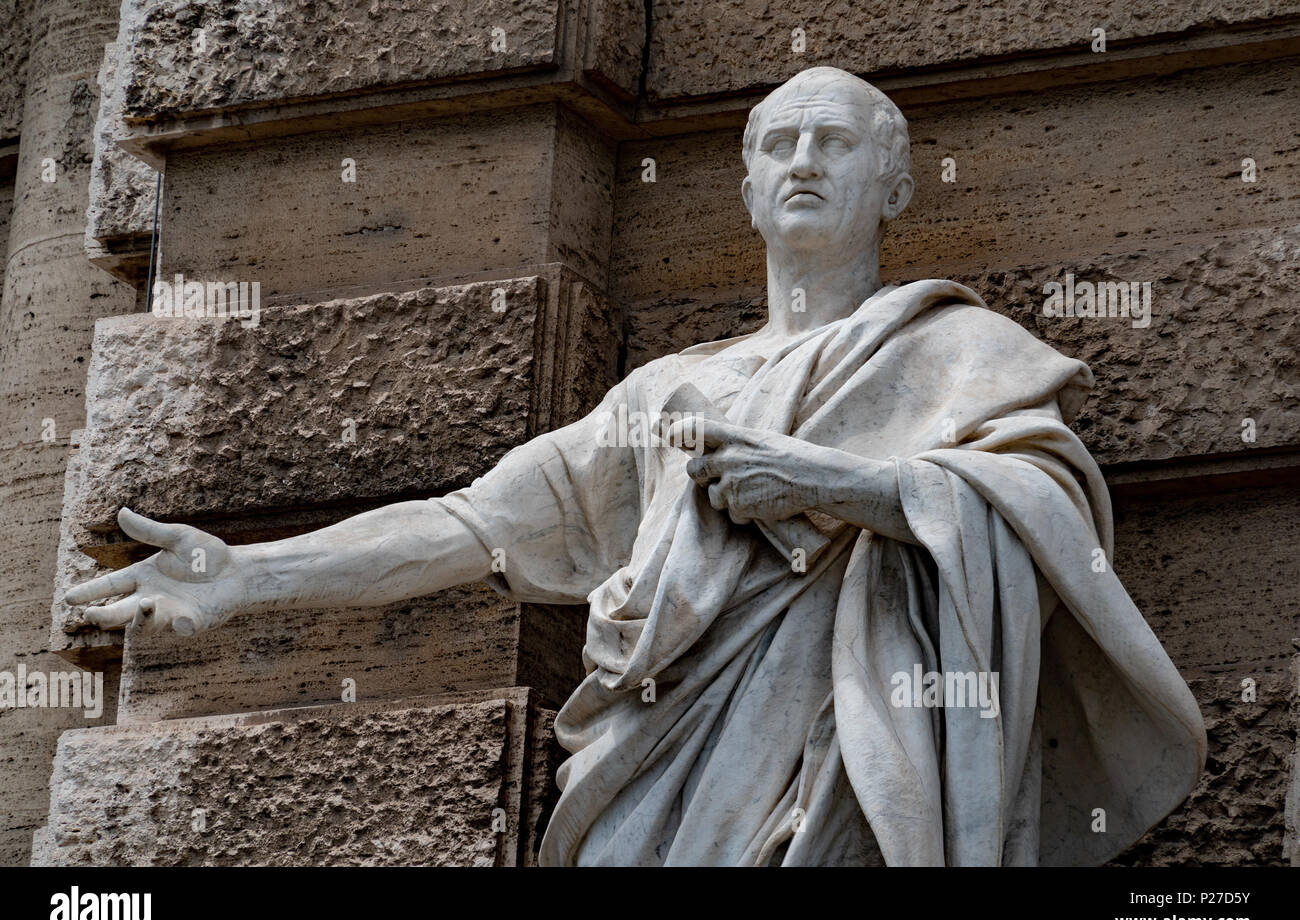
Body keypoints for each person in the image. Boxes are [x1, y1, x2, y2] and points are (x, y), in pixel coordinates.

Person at [66, 66, 1205, 866]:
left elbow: (1050, 525)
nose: (803, 158)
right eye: (777, 143)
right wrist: (251, 575)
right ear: (749, 188)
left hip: (849, 767)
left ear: (896, 188)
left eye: (836, 140)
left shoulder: (962, 355)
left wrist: (841, 487)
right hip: (649, 779)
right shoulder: (665, 395)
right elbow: (472, 524)